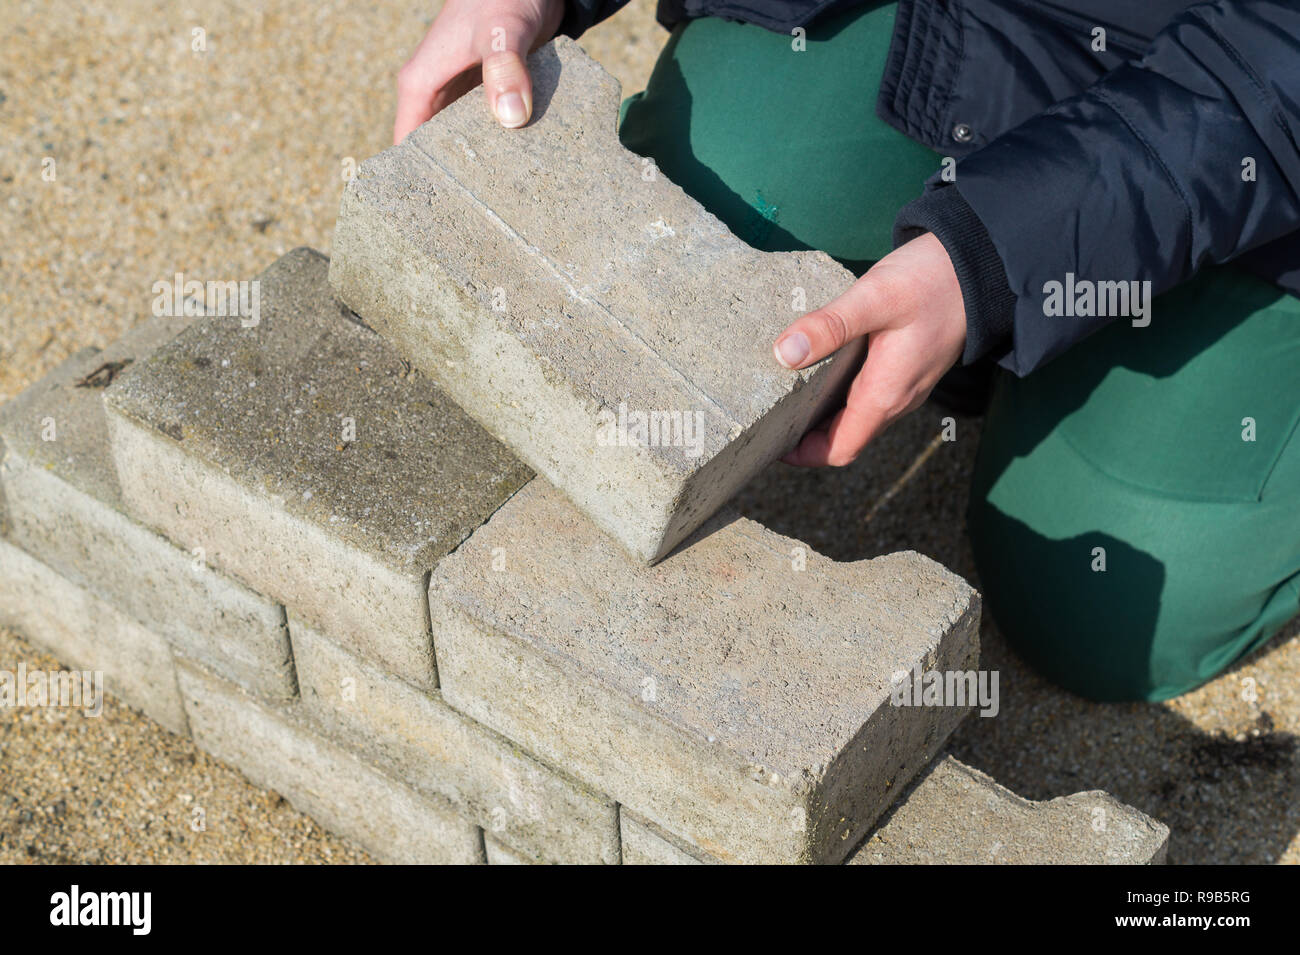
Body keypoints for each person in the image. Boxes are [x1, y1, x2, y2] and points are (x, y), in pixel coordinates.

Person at [392, 0, 1300, 703]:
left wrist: (998, 255)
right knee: (712, 202)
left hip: (1261, 123)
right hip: (975, 23)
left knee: (1104, 600)